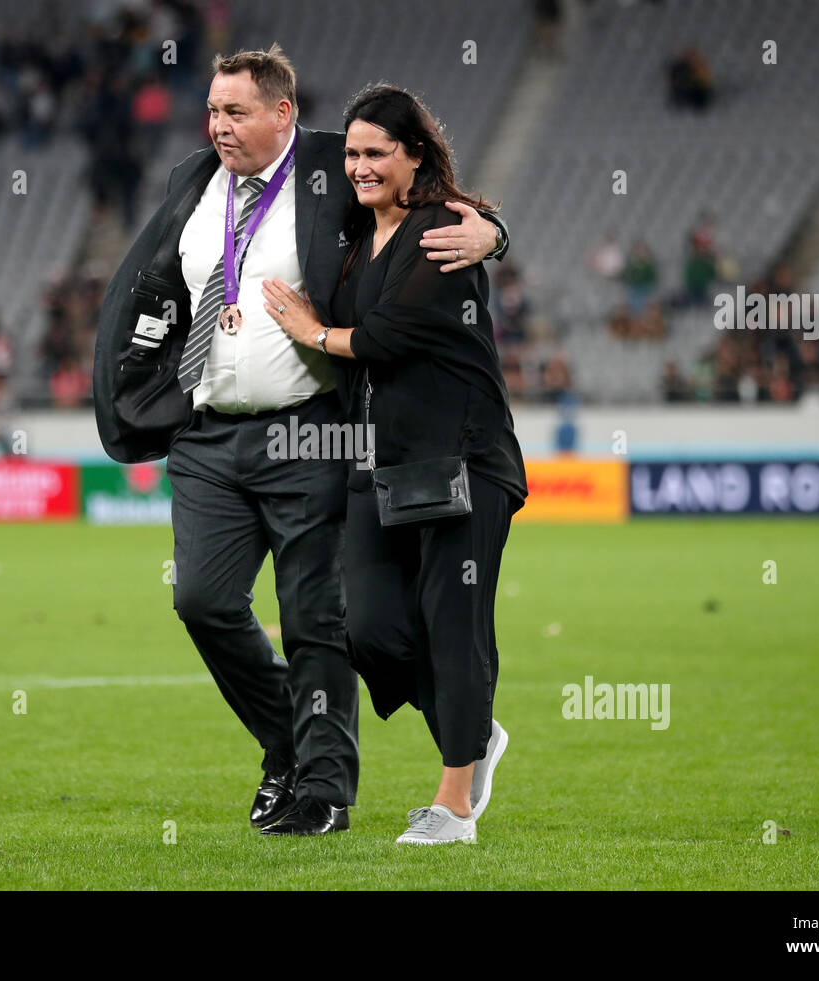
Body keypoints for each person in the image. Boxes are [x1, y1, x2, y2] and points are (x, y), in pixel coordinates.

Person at [92, 47, 510, 836]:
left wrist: (492, 231)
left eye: (236, 111)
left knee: (317, 617)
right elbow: (148, 288)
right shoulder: (192, 182)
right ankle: (284, 744)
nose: (219, 126)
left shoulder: (331, 166)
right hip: (208, 431)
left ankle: (322, 790)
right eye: (213, 111)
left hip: (308, 430)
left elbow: (423, 197)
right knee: (203, 601)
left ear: (283, 113)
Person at [265, 84, 527, 844]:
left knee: (454, 622)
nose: (360, 165)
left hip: (464, 458)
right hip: (377, 461)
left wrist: (311, 332)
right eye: (351, 152)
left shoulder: (446, 229)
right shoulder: (350, 236)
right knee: (369, 627)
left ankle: (453, 806)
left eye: (377, 151)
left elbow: (383, 337)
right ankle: (473, 728)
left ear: (416, 154)